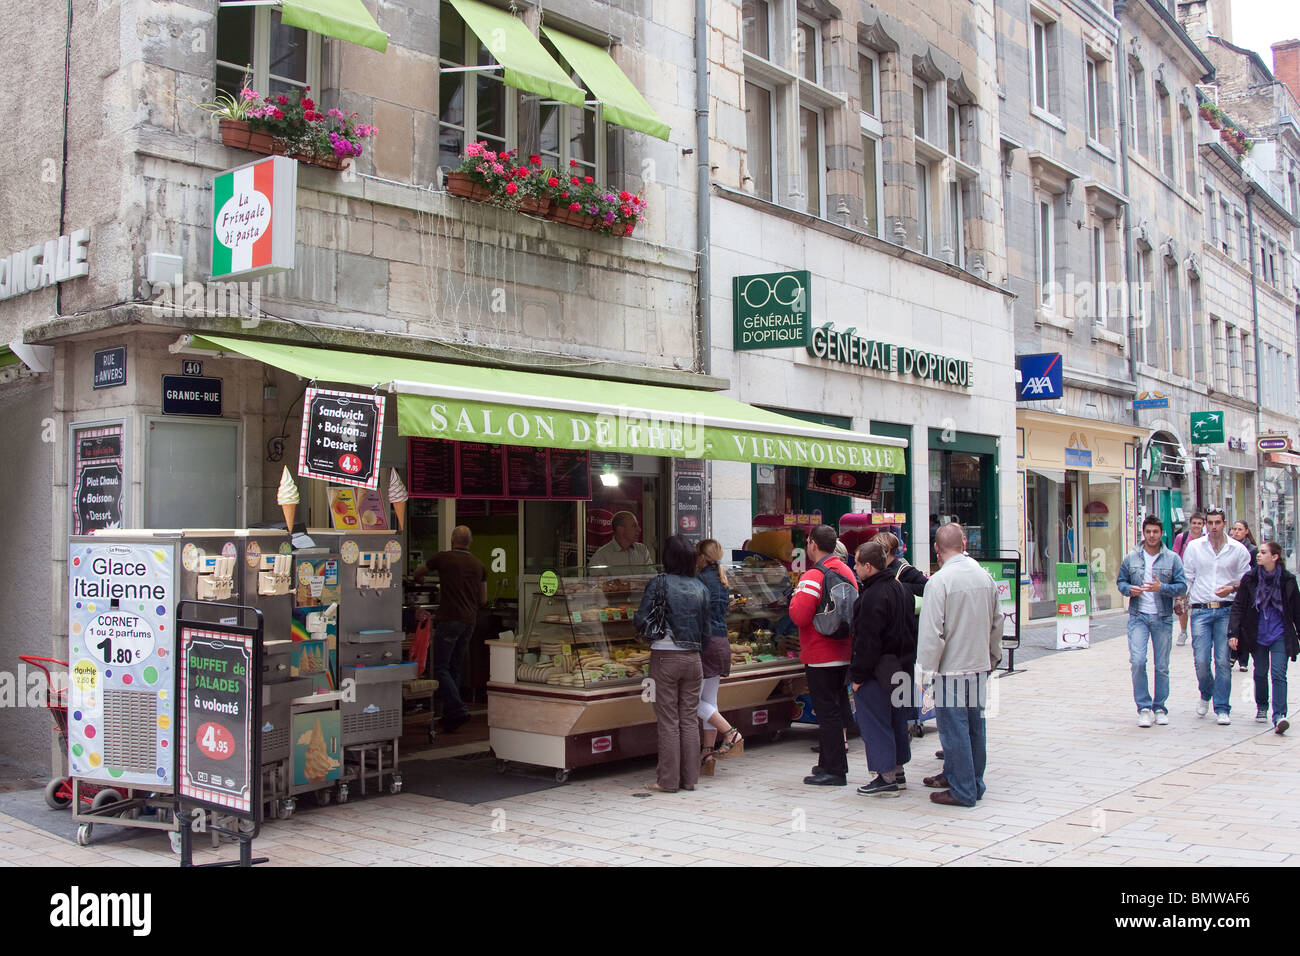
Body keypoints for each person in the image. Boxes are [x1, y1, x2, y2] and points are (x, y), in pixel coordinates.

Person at [917, 523, 1001, 807]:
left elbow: (932, 633)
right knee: (975, 727)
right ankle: (974, 784)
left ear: (937, 549)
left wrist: (923, 673)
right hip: (978, 664)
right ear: (964, 543)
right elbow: (997, 621)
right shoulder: (984, 577)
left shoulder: (939, 582)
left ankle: (963, 790)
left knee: (954, 730)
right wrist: (992, 656)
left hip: (951, 668)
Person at [634, 534, 709, 793]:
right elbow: (707, 629)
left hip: (665, 657)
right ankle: (690, 779)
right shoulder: (701, 586)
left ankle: (667, 781)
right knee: (689, 719)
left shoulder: (660, 582)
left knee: (668, 720)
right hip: (694, 659)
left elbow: (642, 617)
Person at [789, 524, 859, 786]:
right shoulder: (846, 571)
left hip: (820, 653)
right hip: (844, 650)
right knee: (837, 708)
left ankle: (835, 771)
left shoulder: (812, 576)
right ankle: (828, 763)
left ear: (813, 545)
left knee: (827, 712)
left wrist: (794, 599)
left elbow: (799, 614)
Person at [849, 540, 915, 796]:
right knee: (897, 719)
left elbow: (867, 641)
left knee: (876, 722)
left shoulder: (872, 596)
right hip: (902, 665)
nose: (854, 568)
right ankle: (897, 770)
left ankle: (885, 777)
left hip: (878, 670)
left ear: (868, 566)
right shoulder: (901, 589)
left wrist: (858, 675)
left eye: (856, 563)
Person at [1182, 507, 1252, 725]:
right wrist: (1181, 600)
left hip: (1226, 609)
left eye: (1217, 523)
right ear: (1205, 524)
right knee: (1201, 660)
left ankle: (1222, 706)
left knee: (1222, 660)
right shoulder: (1194, 547)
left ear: (1224, 524)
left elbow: (1247, 581)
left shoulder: (1238, 550)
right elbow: (1188, 577)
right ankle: (1206, 692)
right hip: (1201, 609)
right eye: (1209, 523)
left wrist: (1231, 588)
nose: (1213, 527)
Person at [413, 525, 487, 733]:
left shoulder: (443, 558)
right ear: (469, 542)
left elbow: (419, 572)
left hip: (449, 619)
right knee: (454, 666)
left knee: (440, 667)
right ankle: (451, 716)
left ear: (453, 539)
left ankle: (458, 708)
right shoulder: (479, 565)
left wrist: (419, 579)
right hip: (469, 621)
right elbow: (483, 599)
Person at [1115, 514, 1187, 727]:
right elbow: (1121, 581)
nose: (1152, 536)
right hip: (1138, 616)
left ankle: (1160, 707)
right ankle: (1144, 707)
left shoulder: (1172, 558)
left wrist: (1162, 588)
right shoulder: (1132, 557)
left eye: (1156, 532)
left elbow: (1182, 586)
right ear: (1143, 533)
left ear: (1161, 533)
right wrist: (1129, 590)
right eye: (1148, 532)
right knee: (1137, 661)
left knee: (1162, 665)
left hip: (1162, 617)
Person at [1229, 542, 1298, 735]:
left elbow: (1296, 611)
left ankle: (1280, 716)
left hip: (1279, 634)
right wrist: (1233, 633)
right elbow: (1239, 607)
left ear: (1275, 556)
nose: (1258, 556)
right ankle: (1261, 706)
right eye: (1258, 552)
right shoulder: (1251, 578)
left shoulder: (1287, 580)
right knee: (1260, 672)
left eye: (1263, 552)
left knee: (1278, 674)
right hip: (1257, 634)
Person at [695, 539, 744, 775]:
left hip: (706, 643)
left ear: (702, 557)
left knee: (688, 700)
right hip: (722, 641)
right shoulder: (722, 579)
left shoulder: (700, 579)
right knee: (710, 700)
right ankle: (707, 754)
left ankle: (731, 732)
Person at [1172, 513, 1204, 645]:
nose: (1196, 526)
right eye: (1194, 523)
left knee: (1198, 605)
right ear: (1190, 524)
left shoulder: (1205, 539)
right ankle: (1183, 631)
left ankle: (1199, 632)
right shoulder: (1182, 537)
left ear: (1203, 525)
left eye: (1199, 523)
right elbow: (1175, 554)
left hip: (1201, 578)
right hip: (1184, 576)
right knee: (1182, 605)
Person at [590, 511, 654, 568]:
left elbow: (653, 577)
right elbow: (599, 581)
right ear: (620, 529)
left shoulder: (642, 550)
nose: (639, 529)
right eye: (634, 526)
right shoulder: (602, 556)